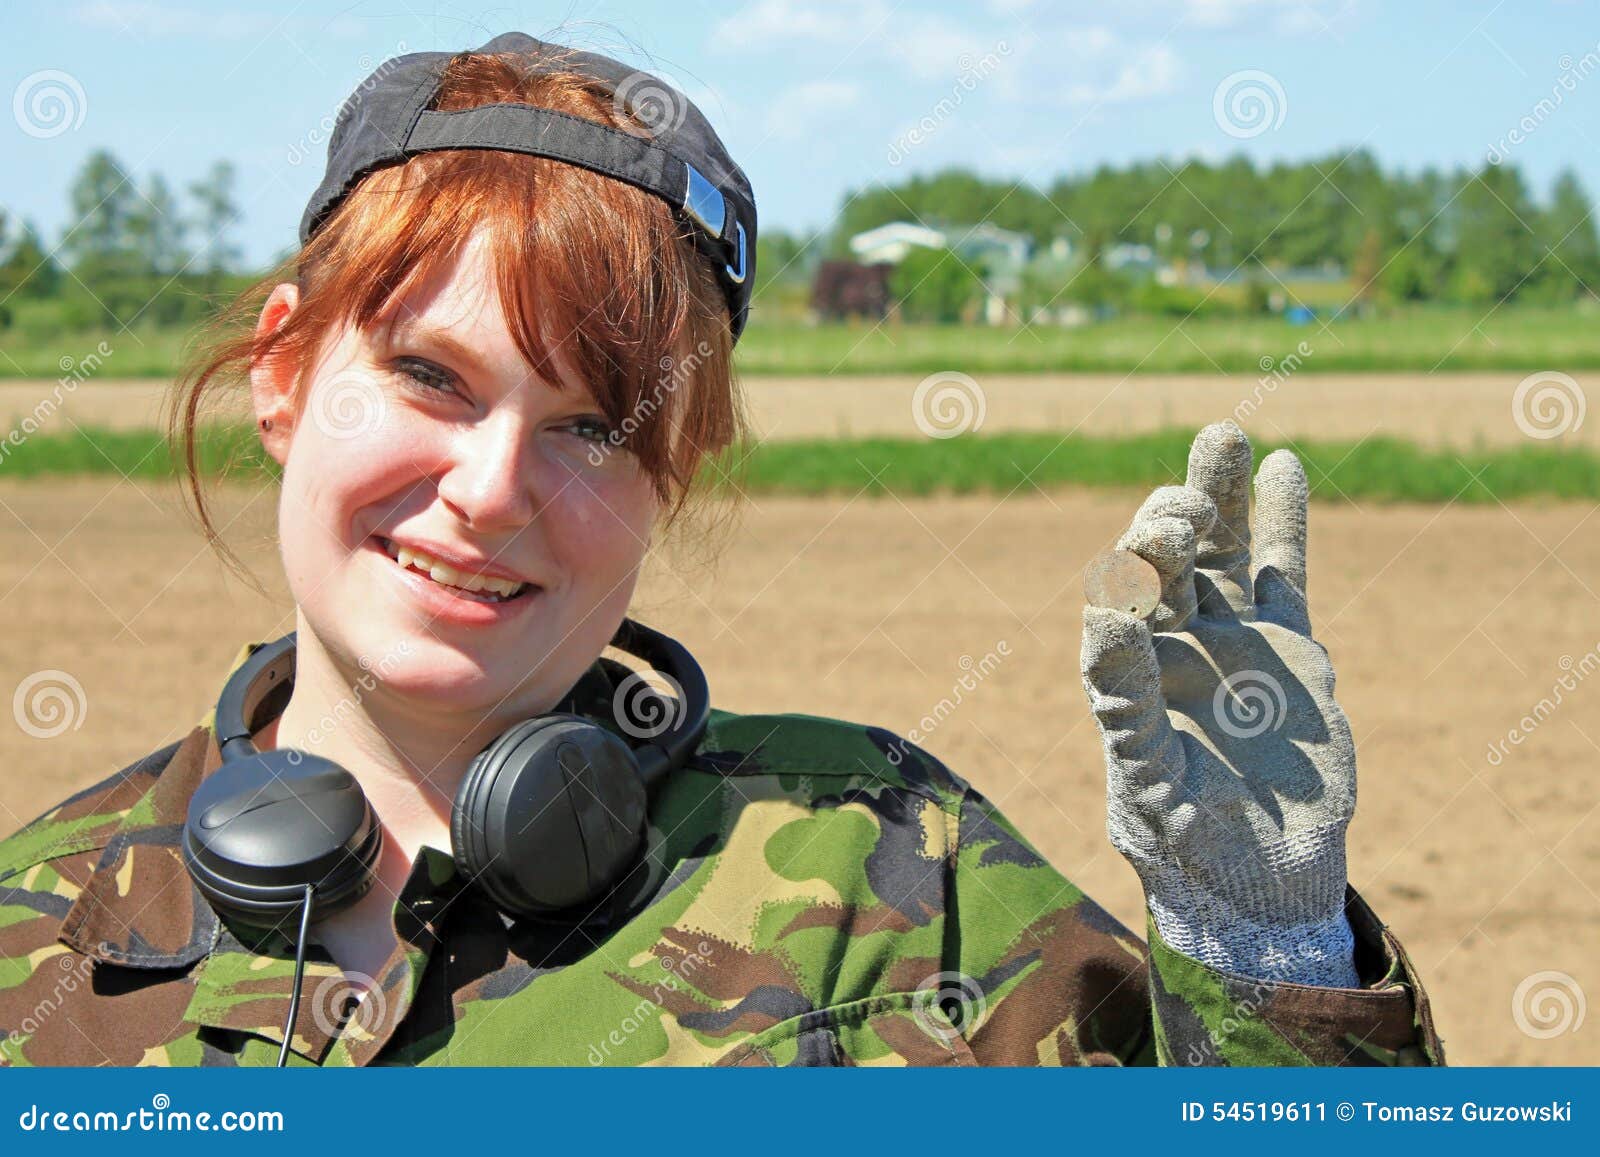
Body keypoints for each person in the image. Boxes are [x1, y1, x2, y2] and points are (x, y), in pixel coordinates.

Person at [0, 31, 1443, 1068]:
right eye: (433, 377)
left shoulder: (882, 876)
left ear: (670, 484)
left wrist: (1266, 954)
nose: (494, 488)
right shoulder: (34, 931)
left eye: (592, 430)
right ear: (283, 372)